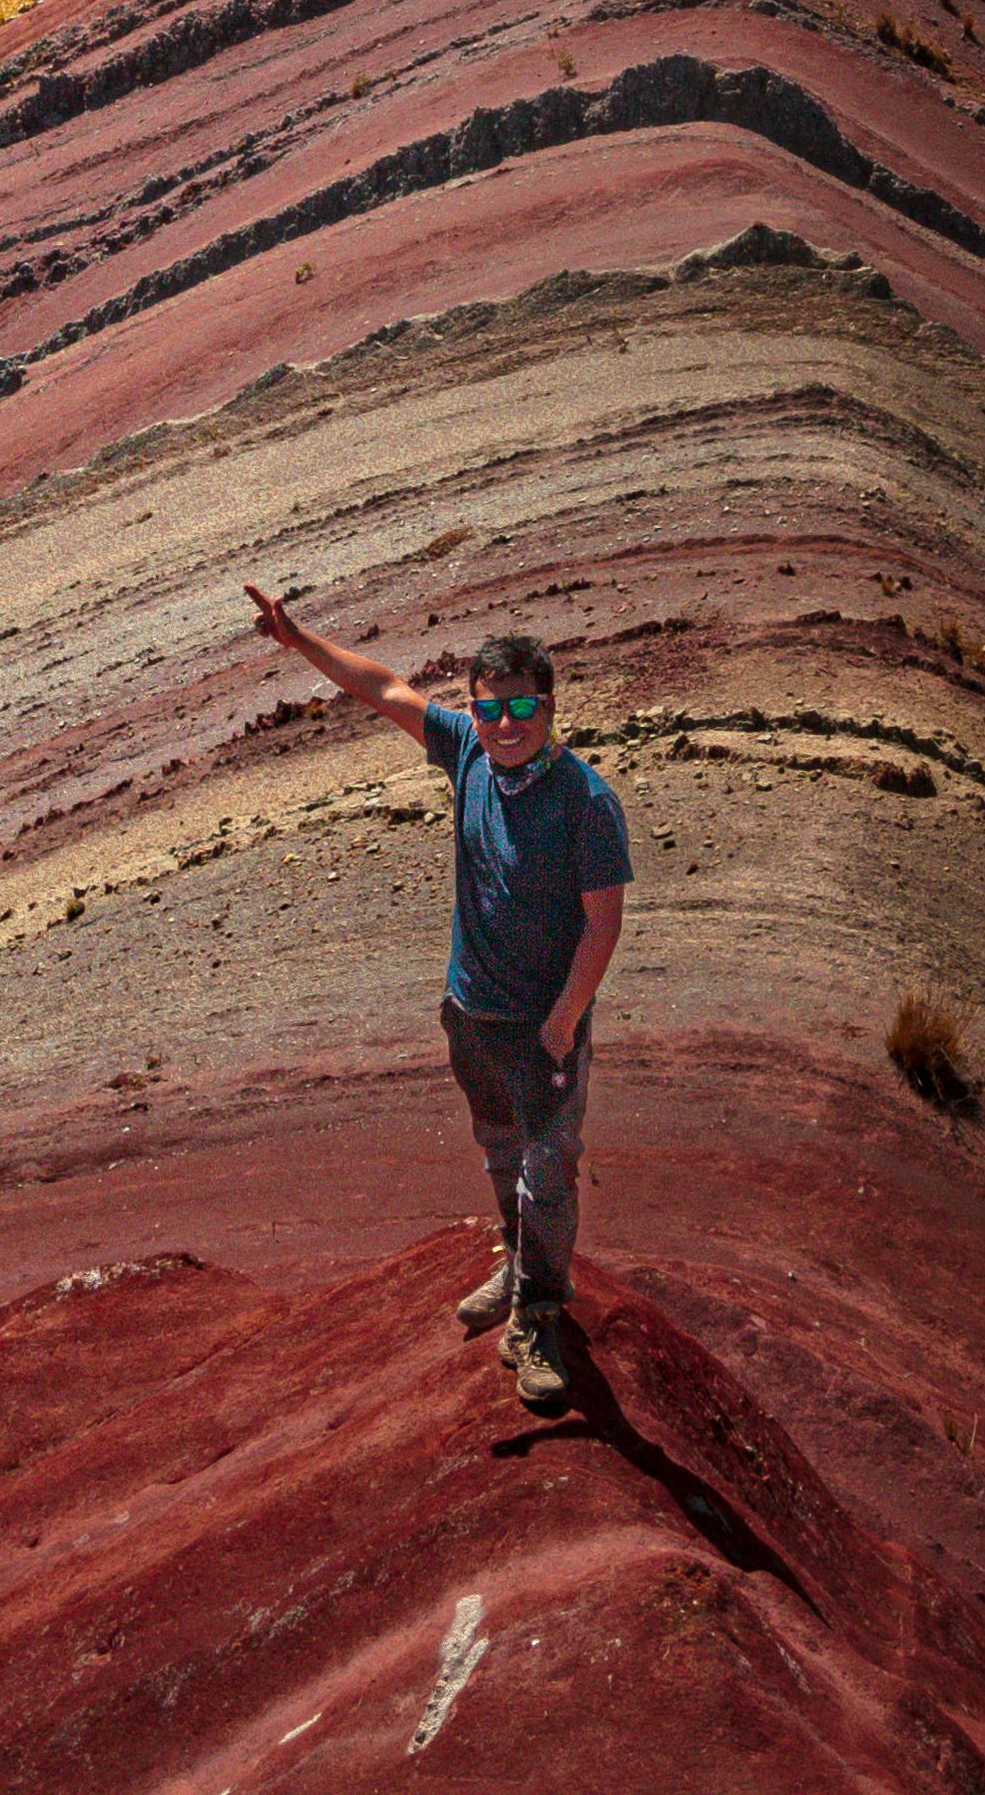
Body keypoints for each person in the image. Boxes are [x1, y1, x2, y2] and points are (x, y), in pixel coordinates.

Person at [242, 584, 631, 1414]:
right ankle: (515, 1259)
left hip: (544, 1029)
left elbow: (603, 925)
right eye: (491, 708)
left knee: (549, 1172)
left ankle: (540, 1317)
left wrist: (563, 1022)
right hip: (471, 1012)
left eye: (522, 706)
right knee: (500, 1152)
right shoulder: (465, 752)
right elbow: (382, 688)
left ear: (550, 706)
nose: (506, 724)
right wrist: (297, 635)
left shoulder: (588, 802)